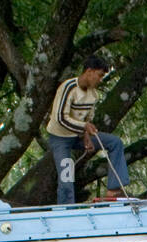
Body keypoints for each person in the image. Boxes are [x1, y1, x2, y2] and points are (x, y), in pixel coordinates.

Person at [46, 55, 129, 204]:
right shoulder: (68, 88)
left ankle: (114, 189)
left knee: (115, 143)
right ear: (89, 71)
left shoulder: (93, 95)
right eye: (100, 75)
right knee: (66, 179)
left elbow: (87, 120)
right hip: (60, 139)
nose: (100, 79)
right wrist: (84, 126)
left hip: (77, 136)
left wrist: (86, 137)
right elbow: (60, 118)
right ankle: (66, 214)